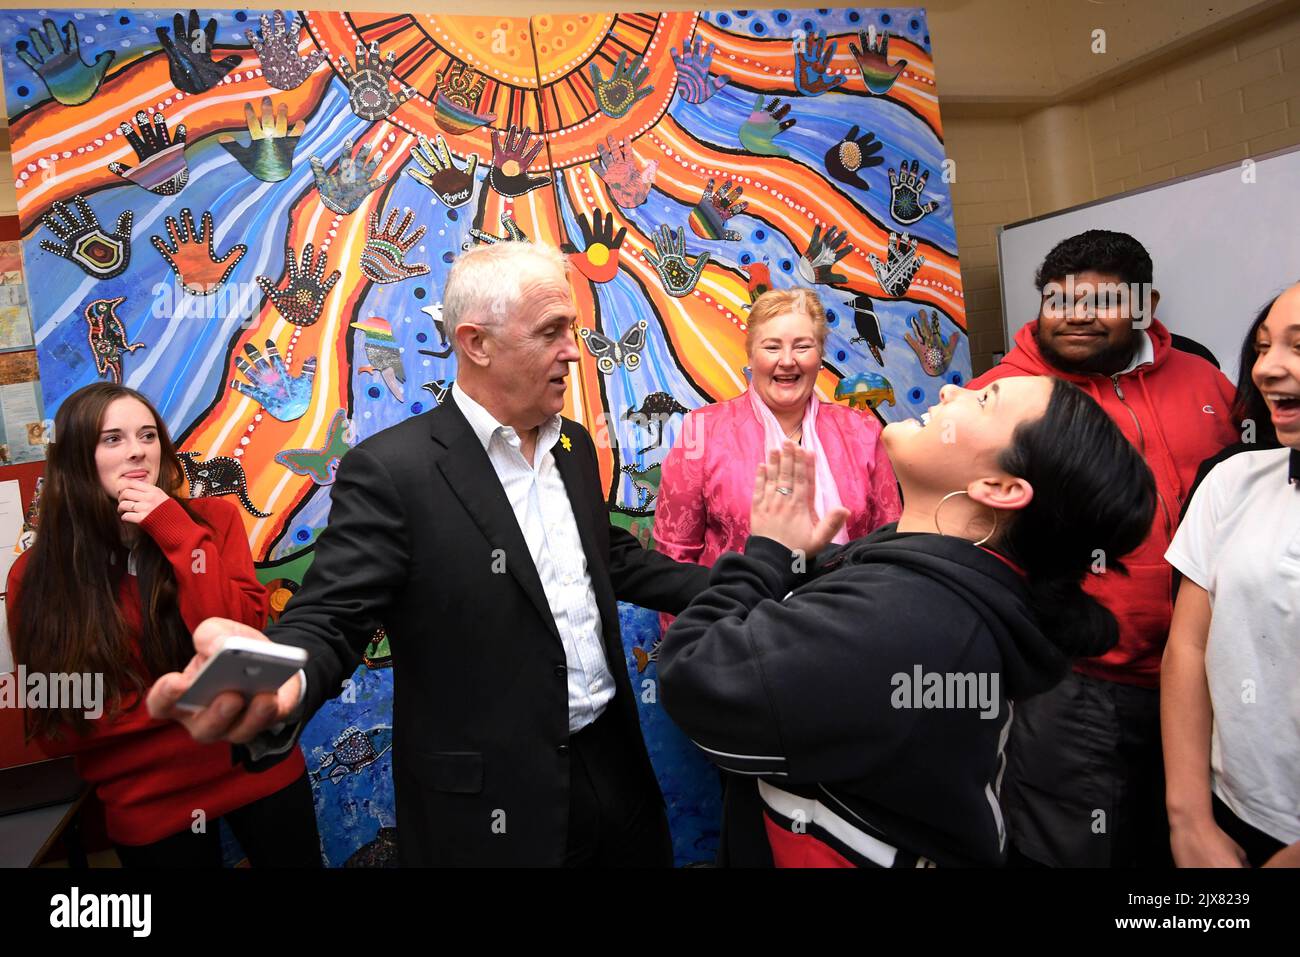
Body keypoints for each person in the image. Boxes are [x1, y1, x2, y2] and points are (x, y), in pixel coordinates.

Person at [146, 242, 711, 867]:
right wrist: (280, 675)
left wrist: (749, 582)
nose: (573, 352)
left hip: (616, 767)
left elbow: (611, 559)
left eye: (573, 330)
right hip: (492, 807)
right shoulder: (392, 472)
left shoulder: (572, 445)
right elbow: (332, 615)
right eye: (552, 332)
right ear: (476, 343)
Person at [657, 377, 1156, 866]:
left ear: (999, 487)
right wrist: (798, 561)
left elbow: (693, 676)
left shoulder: (907, 621)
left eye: (984, 400)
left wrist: (766, 555)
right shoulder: (939, 583)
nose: (949, 390)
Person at [969, 229, 1238, 868]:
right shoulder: (1005, 397)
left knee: (1192, 843)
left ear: (1147, 306)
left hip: (1210, 673)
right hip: (1076, 681)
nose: (1077, 316)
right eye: (1058, 300)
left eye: (1104, 301)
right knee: (1076, 848)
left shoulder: (1206, 383)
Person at [6, 383, 319, 867]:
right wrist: (200, 704)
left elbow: (244, 641)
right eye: (112, 439)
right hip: (150, 802)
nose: (136, 450)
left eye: (147, 436)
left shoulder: (211, 524)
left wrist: (175, 532)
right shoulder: (38, 575)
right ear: (75, 457)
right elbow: (58, 725)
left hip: (259, 773)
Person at [1162, 282, 1300, 867]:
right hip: (1234, 817)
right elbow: (1188, 647)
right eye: (1263, 346)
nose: (1268, 368)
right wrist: (1188, 819)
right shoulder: (1234, 481)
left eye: (1298, 346)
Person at [655, 287, 901, 591]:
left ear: (820, 355)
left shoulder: (863, 431)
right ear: (751, 356)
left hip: (848, 623)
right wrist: (697, 638)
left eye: (802, 346)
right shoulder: (702, 431)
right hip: (740, 626)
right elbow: (674, 556)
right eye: (772, 347)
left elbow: (890, 541)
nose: (787, 361)